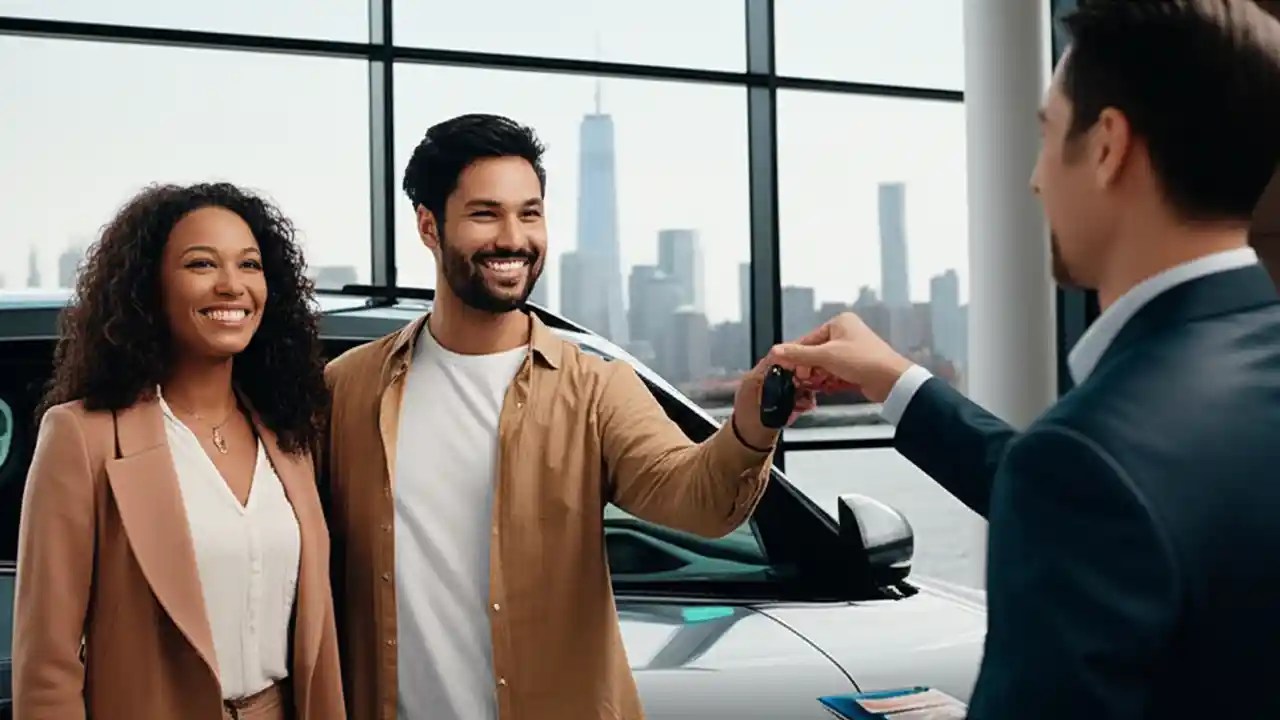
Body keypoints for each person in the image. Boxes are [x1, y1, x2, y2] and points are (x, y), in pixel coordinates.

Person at [768, 1, 1280, 718]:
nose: (1037, 179)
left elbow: (1099, 496)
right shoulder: (1111, 461)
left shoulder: (1090, 459)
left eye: (1046, 133)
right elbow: (1133, 515)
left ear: (1106, 145)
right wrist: (897, 381)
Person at [320, 113, 814, 720]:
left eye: (529, 213)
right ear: (429, 226)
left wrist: (751, 427)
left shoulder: (596, 388)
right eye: (485, 214)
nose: (513, 238)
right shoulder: (349, 387)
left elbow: (699, 500)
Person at [13, 183, 347, 720]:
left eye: (250, 265)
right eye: (201, 265)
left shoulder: (288, 438)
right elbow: (48, 667)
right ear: (150, 289)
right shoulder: (82, 438)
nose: (231, 286)